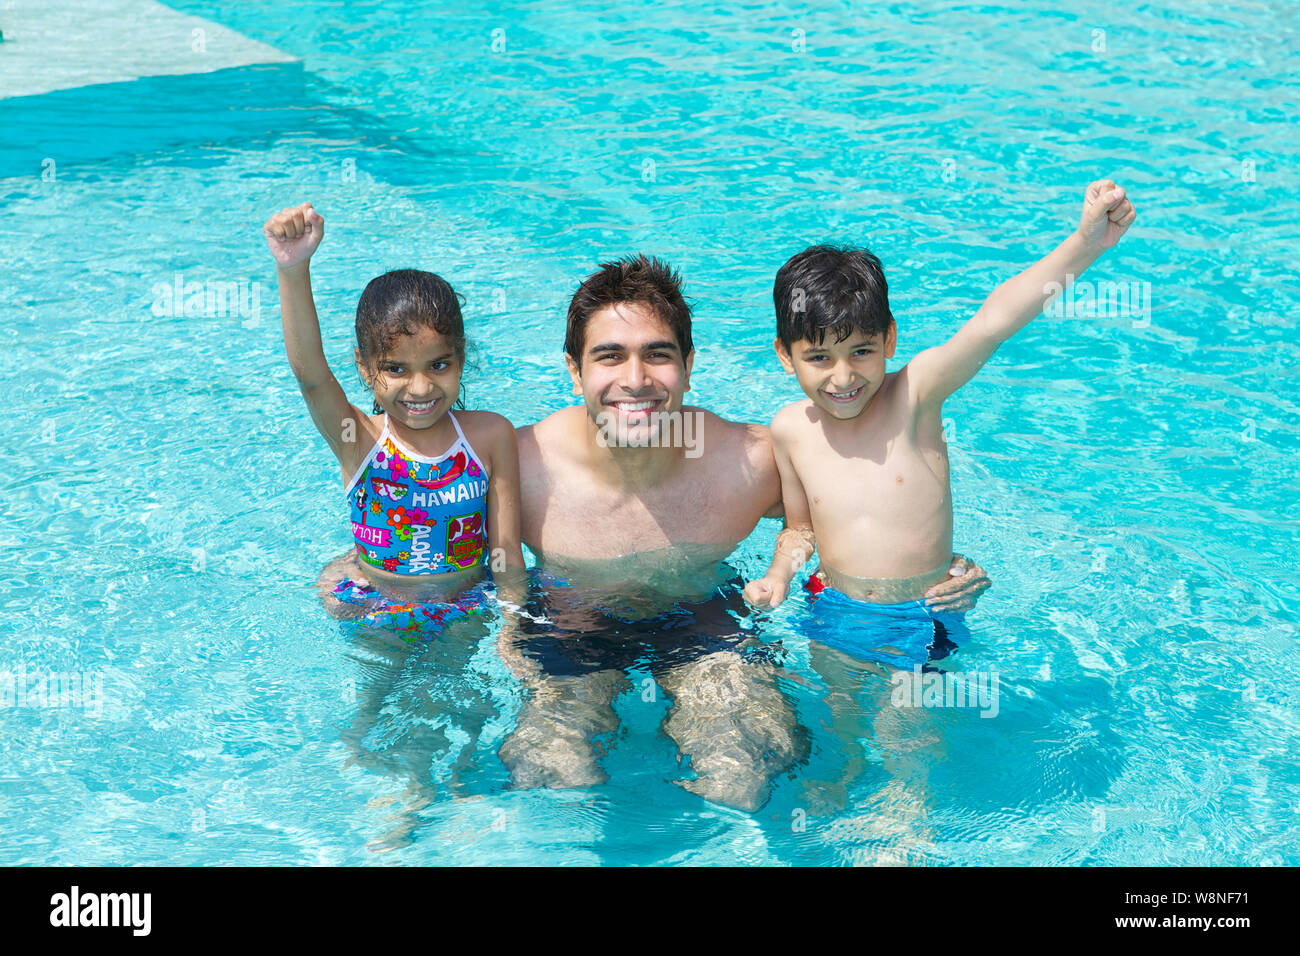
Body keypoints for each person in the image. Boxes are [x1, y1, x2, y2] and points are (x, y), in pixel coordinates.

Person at [499, 255, 993, 810]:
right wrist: (506, 626)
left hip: (701, 622)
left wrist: (943, 567)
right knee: (548, 772)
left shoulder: (749, 461)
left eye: (657, 355)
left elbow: (867, 509)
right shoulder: (521, 465)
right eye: (609, 357)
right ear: (574, 369)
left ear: (688, 364)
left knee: (747, 771)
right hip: (569, 621)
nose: (634, 380)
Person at [742, 178, 1137, 666]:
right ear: (785, 356)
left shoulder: (915, 395)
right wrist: (779, 576)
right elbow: (800, 530)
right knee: (839, 731)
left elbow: (993, 322)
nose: (842, 377)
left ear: (889, 340)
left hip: (923, 610)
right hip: (833, 605)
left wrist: (1084, 243)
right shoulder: (790, 431)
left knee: (909, 735)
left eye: (861, 352)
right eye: (819, 357)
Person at [263, 201, 525, 636]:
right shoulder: (358, 439)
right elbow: (310, 375)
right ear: (365, 369)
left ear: (461, 359)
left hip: (463, 604)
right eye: (396, 369)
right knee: (372, 700)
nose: (420, 388)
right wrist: (292, 268)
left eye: (439, 365)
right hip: (375, 603)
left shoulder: (490, 436)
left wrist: (514, 629)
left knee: (469, 704)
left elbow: (507, 556)